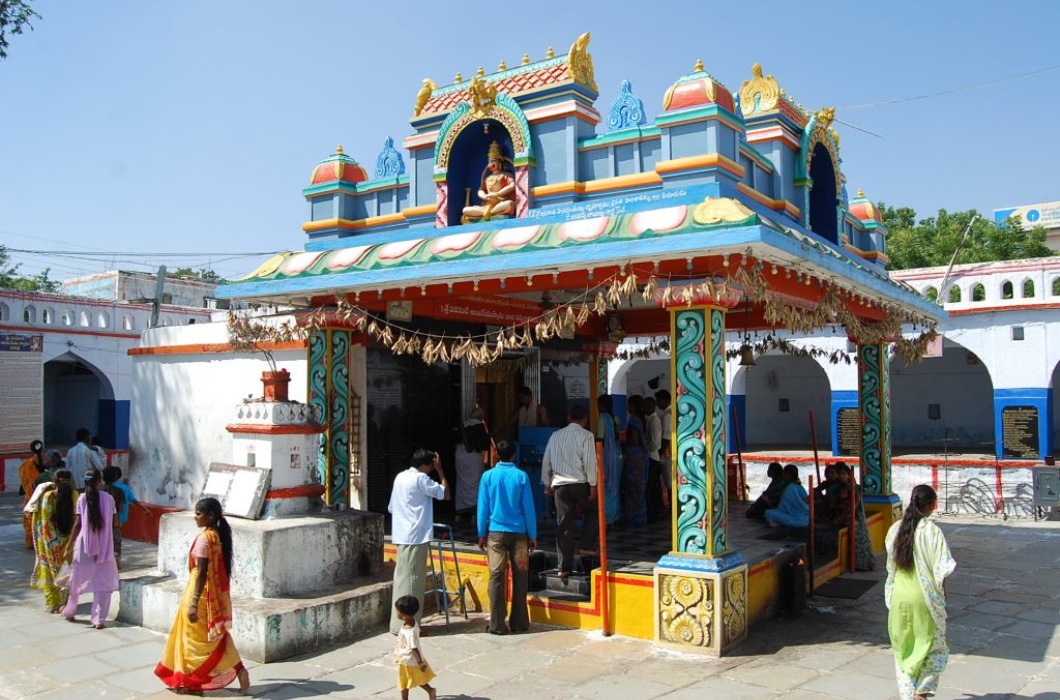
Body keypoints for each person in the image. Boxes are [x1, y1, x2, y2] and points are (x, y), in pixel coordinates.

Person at [156, 497, 251, 694]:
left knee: (193, 640)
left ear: (210, 516)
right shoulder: (217, 535)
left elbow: (201, 573)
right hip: (214, 595)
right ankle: (240, 670)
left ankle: (193, 683)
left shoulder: (203, 539)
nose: (195, 518)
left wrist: (192, 603)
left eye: (199, 514)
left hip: (200, 595)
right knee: (217, 637)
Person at [885, 485, 955, 700]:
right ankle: (921, 691)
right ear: (932, 505)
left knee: (904, 652)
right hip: (924, 600)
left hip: (899, 597)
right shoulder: (932, 531)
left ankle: (908, 694)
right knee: (935, 649)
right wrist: (943, 595)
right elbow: (942, 569)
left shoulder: (895, 529)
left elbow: (890, 564)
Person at [477, 440, 537, 635]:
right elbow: (528, 508)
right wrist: (533, 534)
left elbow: (482, 508)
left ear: (496, 454)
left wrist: (481, 533)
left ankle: (497, 624)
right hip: (519, 533)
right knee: (520, 577)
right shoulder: (521, 477)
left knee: (496, 577)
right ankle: (519, 623)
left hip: (495, 533)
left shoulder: (488, 477)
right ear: (513, 455)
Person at [388, 449, 450, 634]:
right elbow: (445, 493)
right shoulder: (421, 479)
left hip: (402, 535)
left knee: (402, 579)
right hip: (415, 536)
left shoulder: (400, 477)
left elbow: (392, 507)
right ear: (425, 465)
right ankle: (408, 625)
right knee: (413, 582)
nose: (431, 469)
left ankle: (397, 623)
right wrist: (440, 471)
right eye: (431, 466)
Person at [541, 405, 598, 579]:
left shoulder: (555, 436)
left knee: (564, 524)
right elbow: (589, 462)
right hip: (579, 483)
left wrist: (547, 484)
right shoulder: (586, 436)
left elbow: (547, 461)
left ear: (568, 417)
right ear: (585, 420)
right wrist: (593, 485)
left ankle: (563, 567)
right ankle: (586, 545)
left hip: (560, 485)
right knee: (594, 510)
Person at [62, 468, 119, 628]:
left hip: (84, 547)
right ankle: (98, 619)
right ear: (99, 481)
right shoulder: (109, 499)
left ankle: (70, 611)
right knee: (103, 581)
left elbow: (78, 524)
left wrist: (68, 546)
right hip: (105, 547)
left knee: (77, 578)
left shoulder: (81, 499)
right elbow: (115, 523)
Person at [26, 469, 77, 613]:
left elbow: (41, 522)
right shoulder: (74, 495)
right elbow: (76, 519)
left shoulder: (47, 496)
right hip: (67, 542)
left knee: (48, 571)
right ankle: (64, 603)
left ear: (55, 481)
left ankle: (51, 603)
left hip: (48, 545)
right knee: (66, 571)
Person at [393, 595, 437, 700]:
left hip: (408, 660)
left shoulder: (408, 631)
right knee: (414, 679)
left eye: (397, 611)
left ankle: (430, 691)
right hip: (407, 660)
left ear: (404, 615)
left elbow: (413, 647)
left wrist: (420, 662)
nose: (396, 613)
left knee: (406, 680)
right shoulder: (413, 622)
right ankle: (430, 691)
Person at [461, 140, 515, 223]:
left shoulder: (505, 175)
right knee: (465, 210)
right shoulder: (487, 178)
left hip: (500, 203)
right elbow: (480, 190)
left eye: (493, 161)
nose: (491, 163)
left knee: (510, 204)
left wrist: (497, 194)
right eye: (489, 161)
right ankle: (487, 213)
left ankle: (490, 213)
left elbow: (512, 185)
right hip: (487, 205)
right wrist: (485, 196)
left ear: (499, 162)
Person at [454, 407, 490, 522]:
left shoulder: (464, 424)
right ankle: (474, 513)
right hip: (473, 457)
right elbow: (484, 444)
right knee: (475, 484)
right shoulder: (479, 425)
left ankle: (459, 513)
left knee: (461, 483)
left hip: (460, 455)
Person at [621, 394, 648, 527]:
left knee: (632, 489)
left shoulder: (633, 421)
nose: (627, 407)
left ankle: (633, 518)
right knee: (639, 489)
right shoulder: (642, 419)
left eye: (629, 404)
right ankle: (640, 517)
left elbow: (633, 440)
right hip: (641, 457)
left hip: (634, 457)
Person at [595, 394, 622, 525]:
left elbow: (599, 440)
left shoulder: (602, 420)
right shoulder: (616, 418)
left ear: (602, 405)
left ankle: (606, 518)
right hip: (618, 455)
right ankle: (615, 516)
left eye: (598, 404)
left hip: (606, 456)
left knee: (605, 486)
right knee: (615, 486)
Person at [764, 464, 810, 529]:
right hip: (807, 519)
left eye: (783, 473)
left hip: (797, 520)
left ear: (788, 475)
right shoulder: (800, 487)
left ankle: (780, 523)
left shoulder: (790, 488)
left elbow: (782, 509)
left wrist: (768, 502)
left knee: (768, 513)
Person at [18, 439, 45, 549]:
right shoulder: (47, 462)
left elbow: (24, 482)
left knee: (30, 520)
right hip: (43, 497)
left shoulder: (26, 464)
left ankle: (32, 541)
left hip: (31, 498)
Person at [643, 396, 664, 522]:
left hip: (652, 457)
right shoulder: (649, 419)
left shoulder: (654, 421)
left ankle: (654, 513)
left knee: (652, 487)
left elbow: (655, 443)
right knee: (653, 487)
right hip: (651, 456)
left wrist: (644, 449)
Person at [654, 389, 673, 510]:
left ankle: (672, 509)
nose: (657, 403)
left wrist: (660, 455)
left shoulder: (668, 415)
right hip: (670, 452)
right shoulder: (672, 412)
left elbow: (666, 438)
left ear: (665, 400)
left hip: (668, 454)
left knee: (669, 483)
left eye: (658, 401)